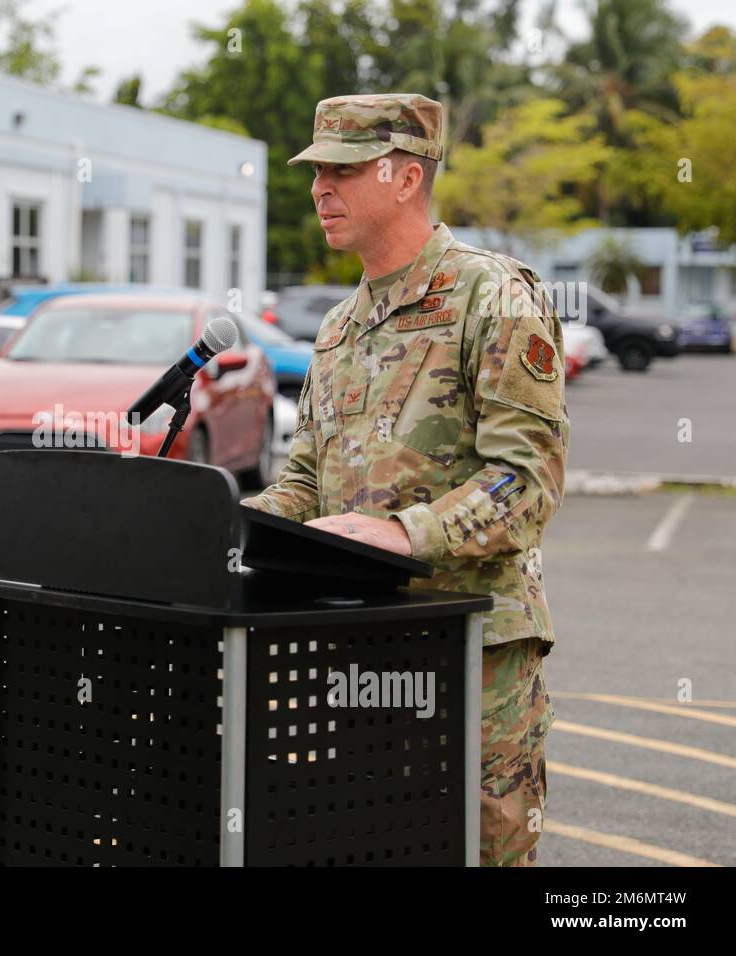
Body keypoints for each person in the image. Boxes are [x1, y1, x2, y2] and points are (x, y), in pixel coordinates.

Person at [241, 93, 570, 866]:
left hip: (475, 650)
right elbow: (305, 482)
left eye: (342, 170)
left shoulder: (492, 295)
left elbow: (527, 481)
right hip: (356, 650)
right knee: (368, 845)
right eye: (316, 172)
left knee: (477, 855)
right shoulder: (337, 326)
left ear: (406, 177)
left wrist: (403, 534)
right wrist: (224, 526)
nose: (320, 189)